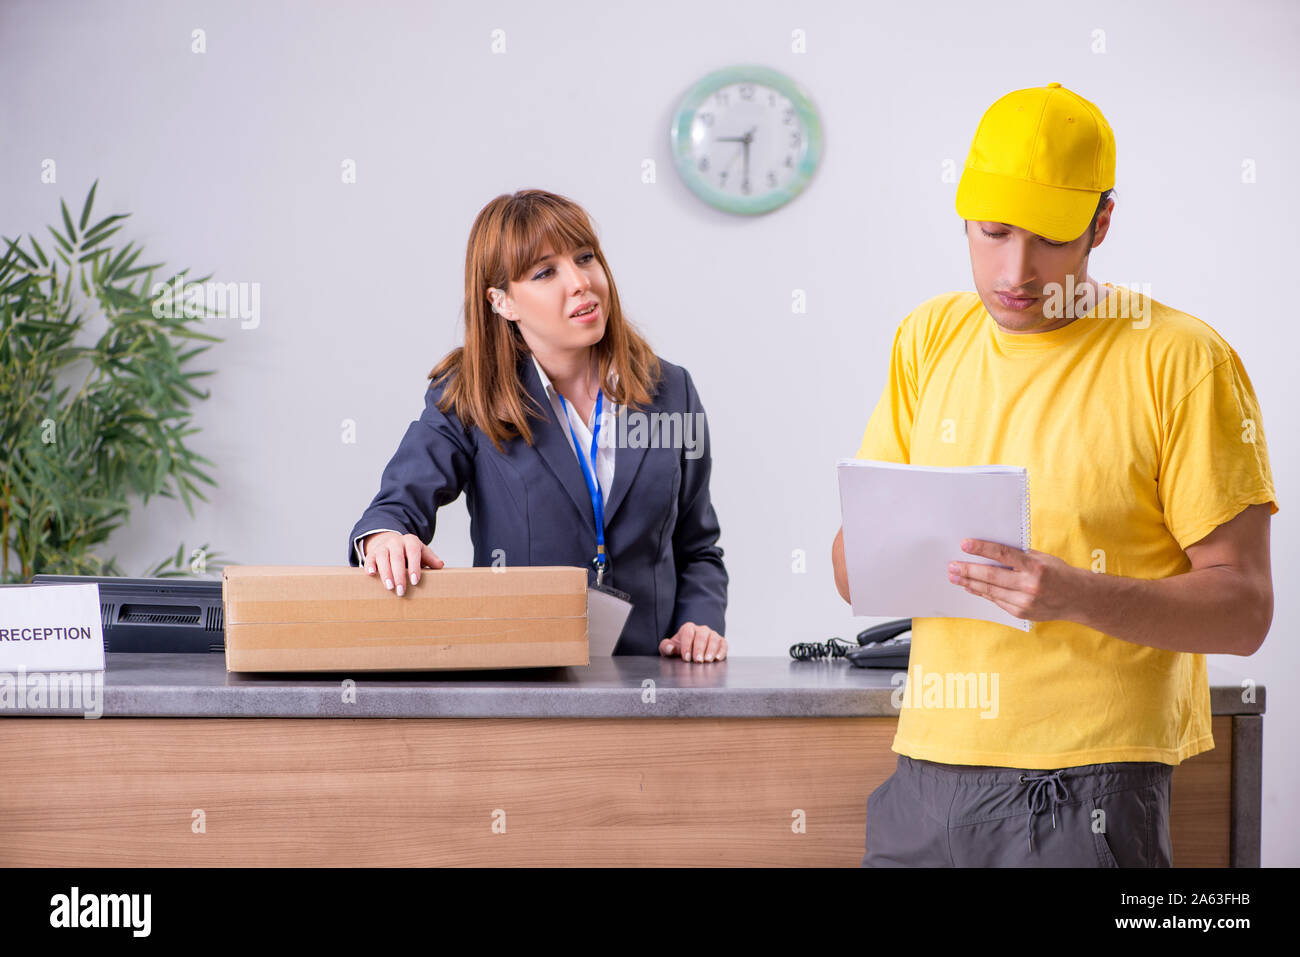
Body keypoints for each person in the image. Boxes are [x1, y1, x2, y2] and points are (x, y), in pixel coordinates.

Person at [831, 82, 1277, 866]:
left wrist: (1071, 592)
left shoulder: (1181, 361)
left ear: (1102, 223)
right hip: (927, 767)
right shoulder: (929, 336)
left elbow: (1243, 610)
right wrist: (873, 549)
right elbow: (851, 565)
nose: (1016, 270)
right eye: (992, 232)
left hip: (1085, 789)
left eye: (1049, 239)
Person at [347, 189, 728, 661]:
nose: (580, 282)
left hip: (649, 681)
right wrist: (385, 538)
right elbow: (395, 508)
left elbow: (698, 547)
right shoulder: (472, 392)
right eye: (545, 272)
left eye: (585, 258)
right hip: (524, 678)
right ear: (503, 302)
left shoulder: (671, 390)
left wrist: (701, 621)